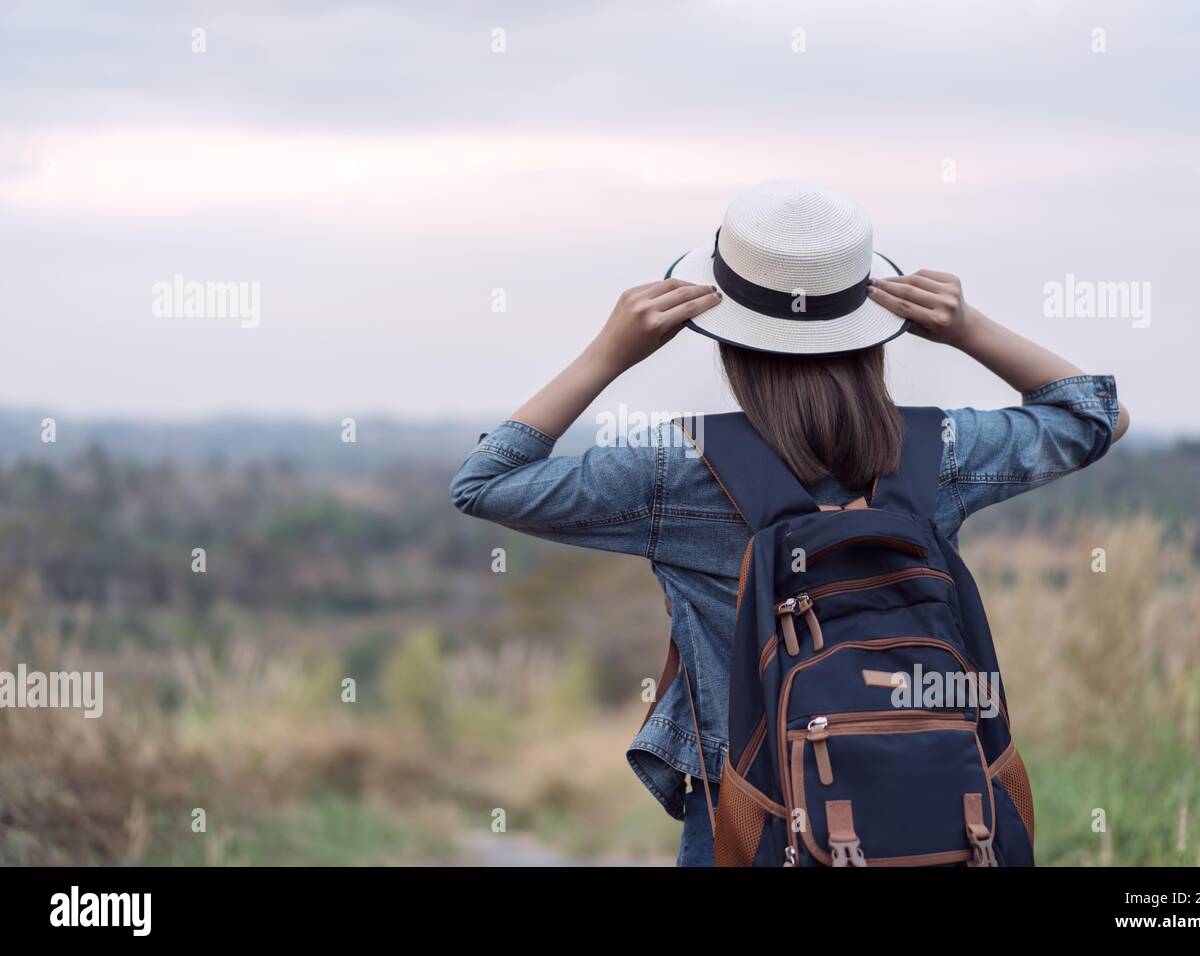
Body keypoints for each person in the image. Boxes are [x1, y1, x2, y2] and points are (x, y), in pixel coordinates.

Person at [450, 180, 1129, 866]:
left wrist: (609, 353)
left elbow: (485, 482)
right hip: (936, 808)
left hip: (749, 809)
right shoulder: (940, 452)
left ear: (727, 337)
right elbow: (1095, 417)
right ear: (870, 329)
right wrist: (967, 328)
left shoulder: (677, 471)